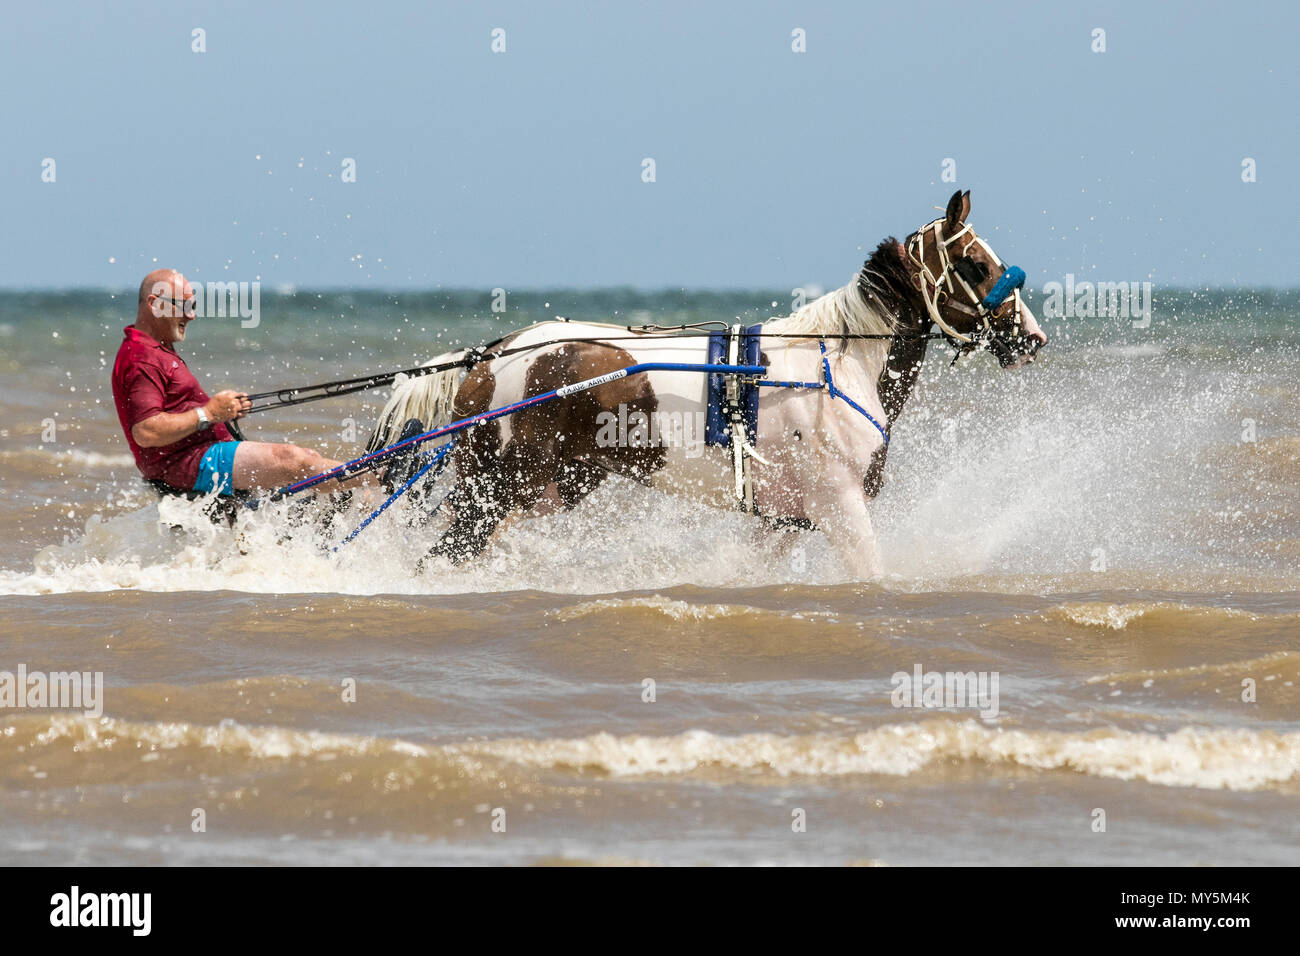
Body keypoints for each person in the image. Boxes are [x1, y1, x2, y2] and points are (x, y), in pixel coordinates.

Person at [111, 269, 367, 498]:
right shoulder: (142, 357)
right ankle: (379, 476)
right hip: (187, 464)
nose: (191, 315)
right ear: (155, 304)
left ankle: (366, 488)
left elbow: (176, 408)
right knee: (294, 461)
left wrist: (224, 411)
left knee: (315, 470)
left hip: (201, 455)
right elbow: (146, 431)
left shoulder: (155, 349)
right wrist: (209, 413)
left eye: (193, 305)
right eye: (184, 306)